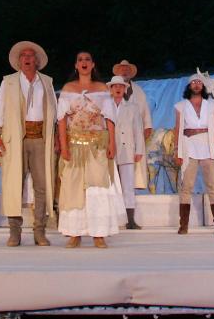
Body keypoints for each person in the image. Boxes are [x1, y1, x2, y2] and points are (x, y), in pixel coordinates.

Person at [0, 41, 57, 247]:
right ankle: (14, 232)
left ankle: (40, 231)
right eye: (24, 56)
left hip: (40, 138)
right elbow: (0, 110)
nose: (27, 59)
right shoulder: (9, 82)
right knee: (13, 184)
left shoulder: (46, 82)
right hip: (15, 138)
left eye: (31, 56)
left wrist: (56, 139)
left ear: (37, 61)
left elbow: (54, 112)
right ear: (19, 61)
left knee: (42, 185)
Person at [56, 52, 124, 247]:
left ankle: (99, 233)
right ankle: (74, 233)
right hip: (74, 144)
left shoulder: (101, 89)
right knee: (73, 187)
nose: (84, 63)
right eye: (80, 60)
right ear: (76, 65)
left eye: (87, 60)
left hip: (97, 146)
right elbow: (61, 120)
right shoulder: (68, 89)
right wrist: (63, 145)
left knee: (97, 188)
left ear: (93, 64)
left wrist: (112, 143)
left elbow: (110, 118)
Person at [174, 69, 214, 235]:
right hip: (189, 148)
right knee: (186, 187)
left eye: (199, 82)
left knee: (213, 186)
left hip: (208, 148)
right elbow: (178, 129)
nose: (196, 84)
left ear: (203, 85)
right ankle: (184, 225)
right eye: (193, 82)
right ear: (189, 86)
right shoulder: (181, 106)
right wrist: (177, 151)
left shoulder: (211, 106)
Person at [112, 59, 154, 194]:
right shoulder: (111, 90)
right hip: (116, 135)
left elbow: (145, 111)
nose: (125, 71)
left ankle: (129, 197)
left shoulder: (139, 91)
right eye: (122, 69)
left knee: (132, 169)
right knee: (115, 169)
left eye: (127, 69)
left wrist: (148, 126)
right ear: (117, 72)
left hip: (133, 135)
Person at [108, 75, 145, 229]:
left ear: (125, 89)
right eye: (115, 86)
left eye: (121, 86)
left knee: (128, 185)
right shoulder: (105, 107)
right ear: (110, 89)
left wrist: (139, 149)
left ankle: (130, 220)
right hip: (109, 150)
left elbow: (138, 129)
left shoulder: (132, 107)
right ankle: (111, 218)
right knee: (110, 185)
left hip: (127, 149)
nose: (118, 89)